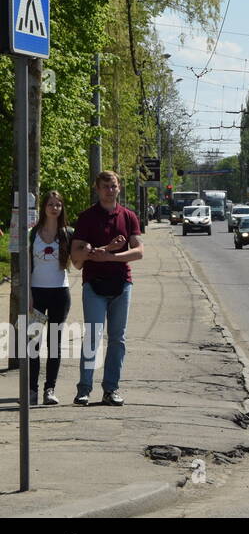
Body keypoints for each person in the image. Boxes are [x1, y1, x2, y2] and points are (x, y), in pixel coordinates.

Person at [70, 171, 143, 406]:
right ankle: (84, 389)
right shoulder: (86, 217)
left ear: (119, 188)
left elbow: (139, 251)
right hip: (93, 285)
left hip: (122, 285)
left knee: (117, 339)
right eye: (105, 187)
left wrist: (110, 256)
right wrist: (95, 252)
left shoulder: (129, 216)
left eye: (113, 186)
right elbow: (76, 254)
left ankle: (111, 389)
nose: (109, 190)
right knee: (93, 336)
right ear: (97, 189)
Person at [28, 191, 76, 406]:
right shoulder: (32, 233)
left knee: (54, 343)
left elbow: (78, 260)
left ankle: (50, 389)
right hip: (36, 294)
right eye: (50, 204)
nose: (54, 208)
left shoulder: (67, 233)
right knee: (32, 344)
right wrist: (27, 294)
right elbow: (26, 265)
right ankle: (31, 390)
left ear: (61, 208)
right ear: (44, 207)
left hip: (60, 293)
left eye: (58, 204)